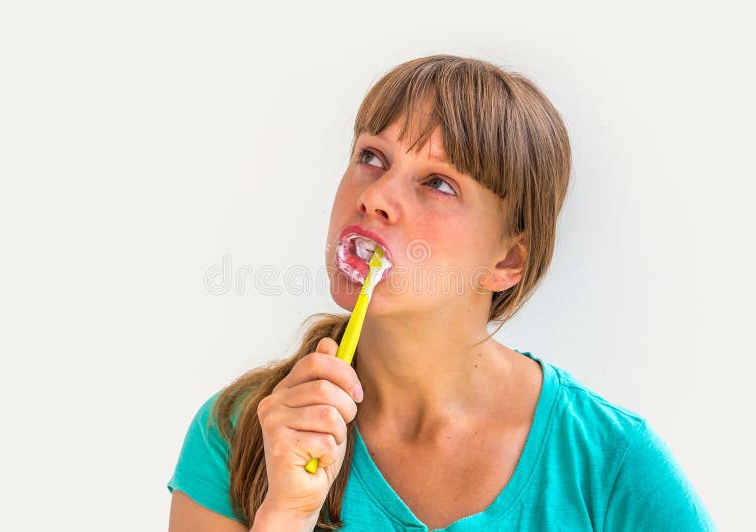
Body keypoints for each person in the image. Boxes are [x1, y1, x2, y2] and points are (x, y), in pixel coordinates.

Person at [167, 54, 716, 531]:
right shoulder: (238, 433)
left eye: (437, 183)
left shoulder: (612, 465)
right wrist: (285, 515)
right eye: (371, 157)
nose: (376, 195)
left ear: (506, 260)